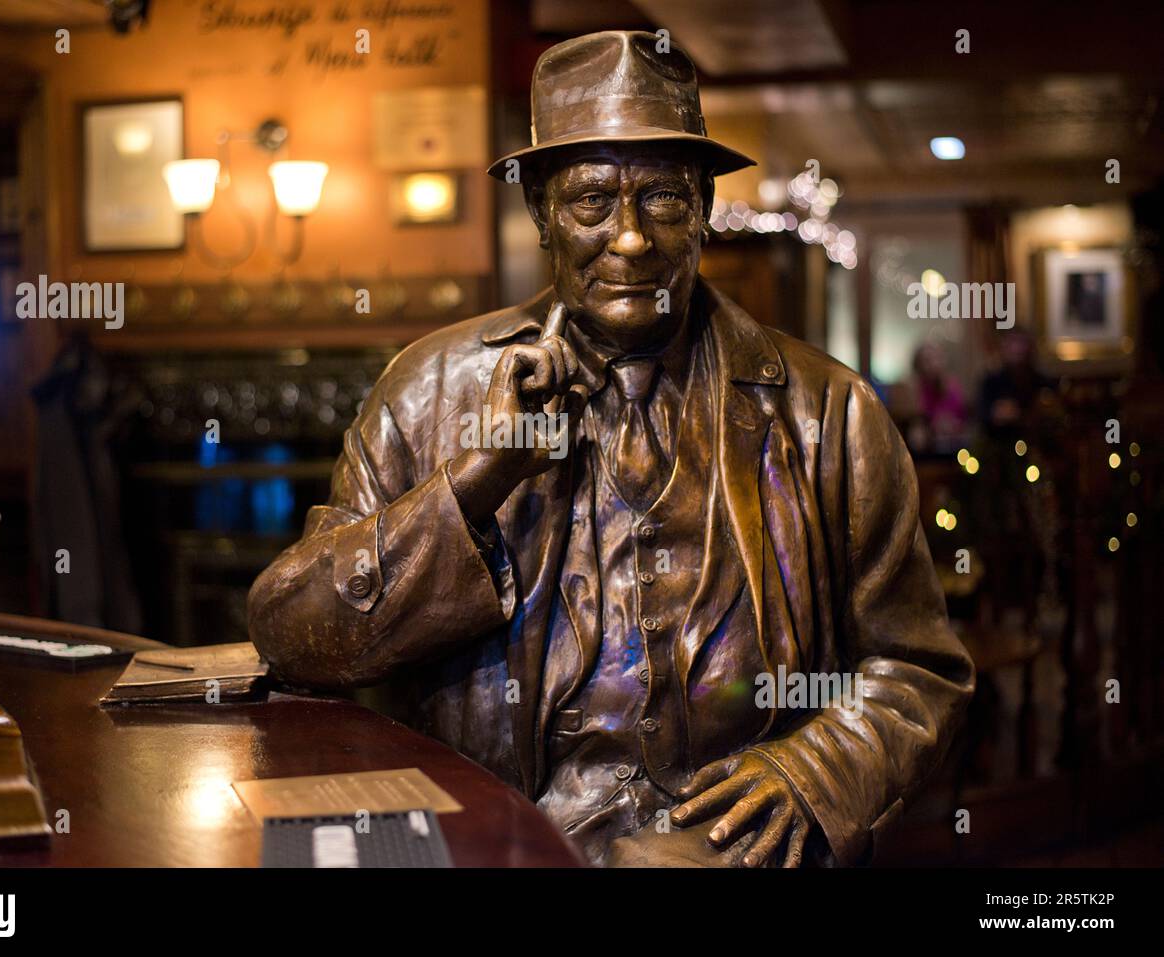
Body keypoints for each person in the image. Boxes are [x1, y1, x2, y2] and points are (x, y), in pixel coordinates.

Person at [248, 31, 974, 867]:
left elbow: (919, 669)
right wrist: (476, 481)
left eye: (663, 198)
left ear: (702, 205)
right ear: (539, 210)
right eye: (592, 200)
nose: (630, 240)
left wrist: (818, 766)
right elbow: (293, 634)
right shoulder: (426, 393)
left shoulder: (829, 414)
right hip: (498, 845)